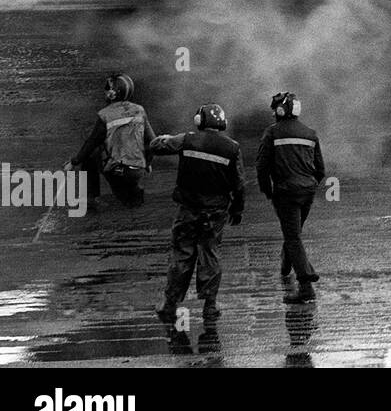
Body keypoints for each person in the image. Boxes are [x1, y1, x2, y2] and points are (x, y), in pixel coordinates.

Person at [150, 104, 245, 324]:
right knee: (210, 254)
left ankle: (169, 303)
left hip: (188, 210)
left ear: (199, 121)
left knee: (182, 254)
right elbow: (239, 184)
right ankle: (210, 306)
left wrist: (161, 138)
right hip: (215, 213)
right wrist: (237, 209)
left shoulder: (187, 139)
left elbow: (157, 146)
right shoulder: (232, 148)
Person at [256, 92, 325, 305]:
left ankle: (306, 286)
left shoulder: (272, 133)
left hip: (286, 193)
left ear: (280, 110)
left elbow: (261, 166)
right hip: (307, 192)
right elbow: (320, 169)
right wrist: (310, 186)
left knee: (293, 236)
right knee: (294, 232)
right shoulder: (310, 134)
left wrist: (268, 190)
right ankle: (286, 265)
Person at [65, 72, 155, 208]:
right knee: (131, 202)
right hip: (137, 171)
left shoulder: (105, 114)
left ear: (112, 94)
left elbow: (91, 142)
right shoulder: (139, 110)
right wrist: (147, 162)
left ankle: (90, 198)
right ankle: (133, 192)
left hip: (117, 171)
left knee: (93, 152)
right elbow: (153, 142)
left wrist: (74, 162)